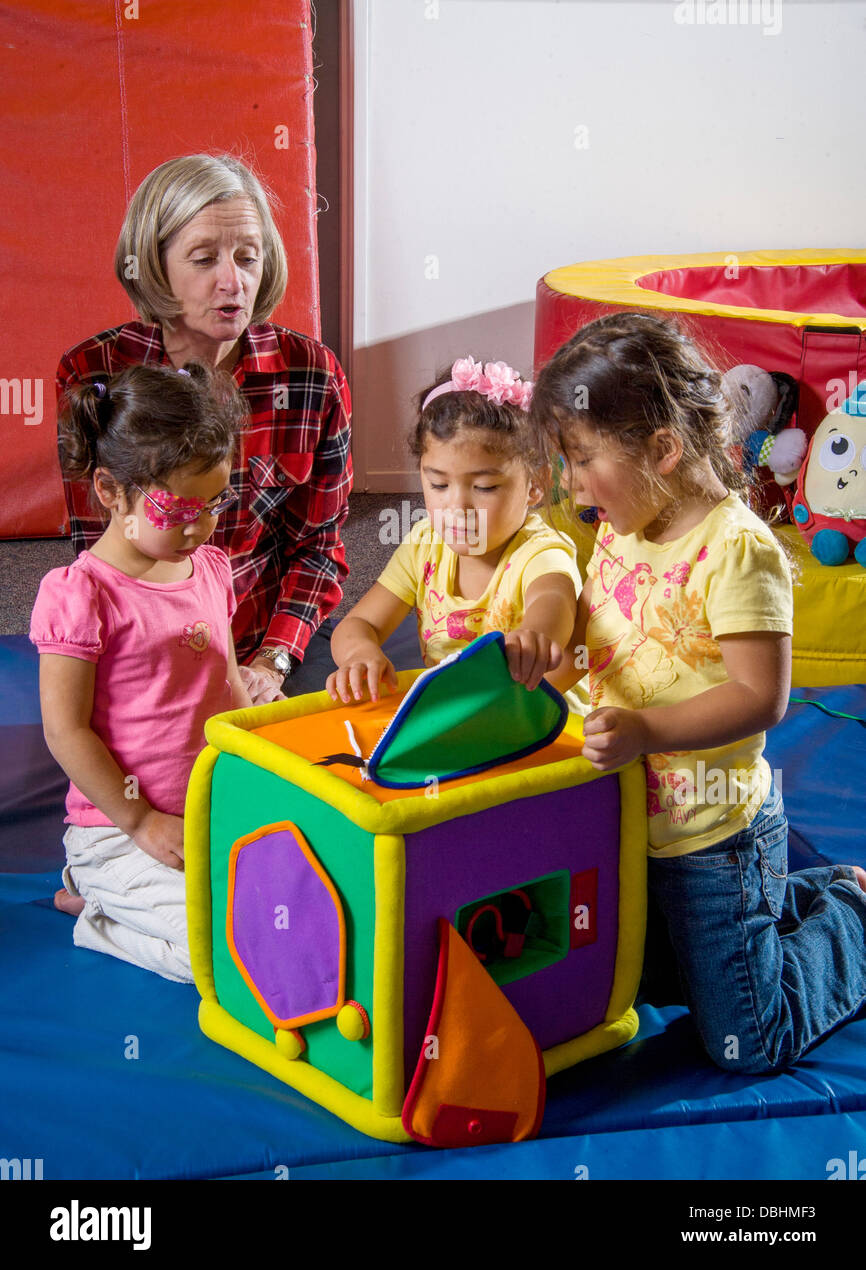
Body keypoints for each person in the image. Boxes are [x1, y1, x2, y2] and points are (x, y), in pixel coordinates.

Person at [531, 311, 866, 1073]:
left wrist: (646, 731)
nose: (573, 486)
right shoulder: (619, 521)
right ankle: (791, 903)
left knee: (748, 1042)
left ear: (663, 449)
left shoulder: (737, 549)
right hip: (629, 827)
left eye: (583, 461)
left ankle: (849, 910)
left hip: (716, 839)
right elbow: (597, 632)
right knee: (630, 987)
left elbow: (761, 697)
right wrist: (546, 655)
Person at [56, 153, 352, 705]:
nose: (231, 282)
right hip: (147, 642)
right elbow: (96, 547)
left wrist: (272, 660)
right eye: (203, 258)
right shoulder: (93, 372)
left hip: (268, 642)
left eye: (247, 257)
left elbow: (319, 547)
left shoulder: (314, 375)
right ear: (151, 265)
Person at [30, 363, 252, 982]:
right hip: (120, 831)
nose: (199, 524)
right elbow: (65, 730)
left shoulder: (209, 568)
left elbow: (227, 684)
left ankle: (110, 895)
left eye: (213, 502)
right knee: (216, 953)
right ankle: (96, 909)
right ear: (110, 490)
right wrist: (139, 821)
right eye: (178, 507)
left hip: (208, 814)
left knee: (287, 912)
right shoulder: (80, 593)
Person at [327, 357, 582, 706]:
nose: (456, 508)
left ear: (536, 486)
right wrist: (360, 653)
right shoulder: (424, 544)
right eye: (438, 484)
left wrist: (535, 636)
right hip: (460, 718)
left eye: (485, 487)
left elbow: (554, 602)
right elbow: (358, 624)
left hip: (538, 724)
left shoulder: (541, 552)